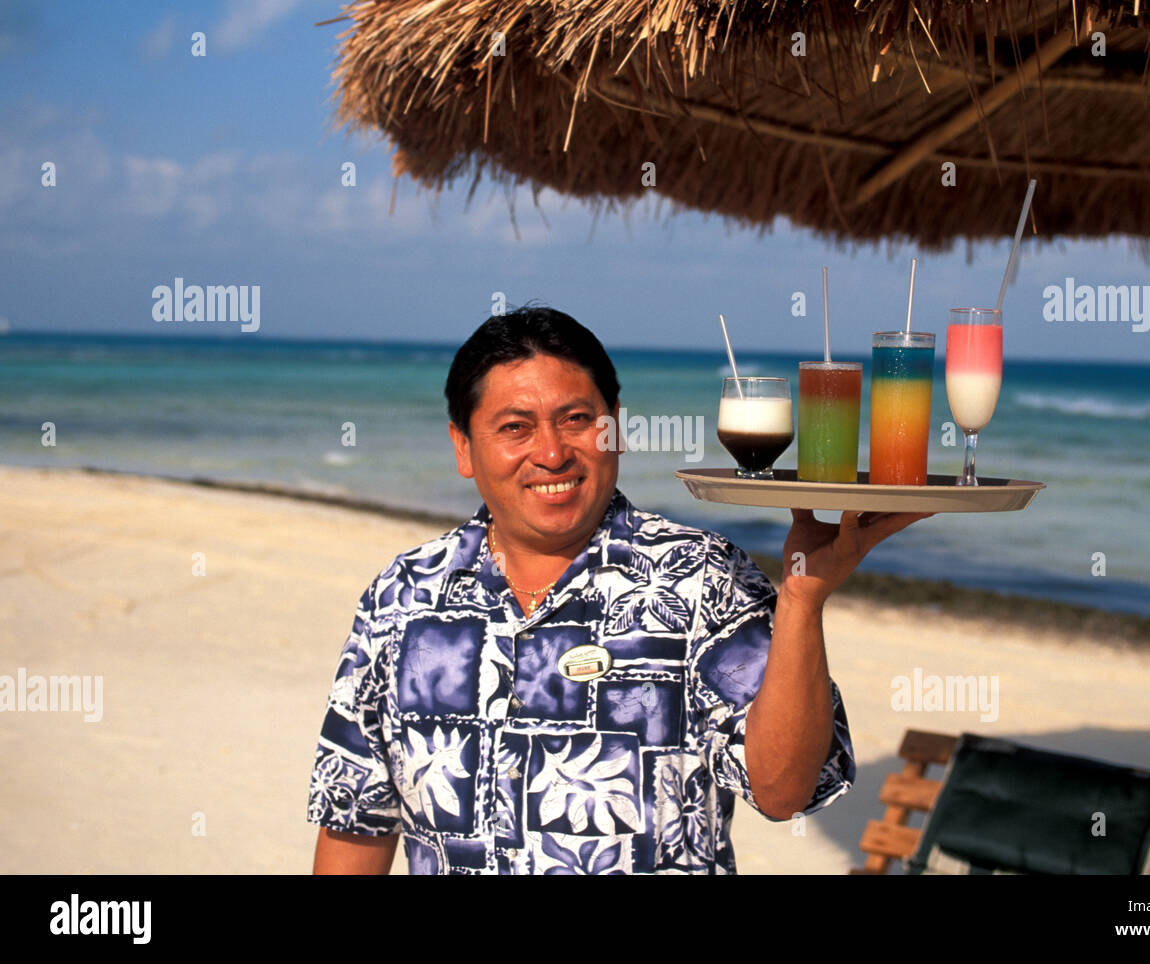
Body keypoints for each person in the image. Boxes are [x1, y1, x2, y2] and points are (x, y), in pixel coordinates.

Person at [308, 306, 930, 874]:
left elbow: (783, 789)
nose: (551, 453)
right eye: (515, 428)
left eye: (577, 419)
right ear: (463, 448)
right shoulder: (404, 596)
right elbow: (354, 817)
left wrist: (800, 600)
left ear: (616, 428)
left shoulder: (699, 579)